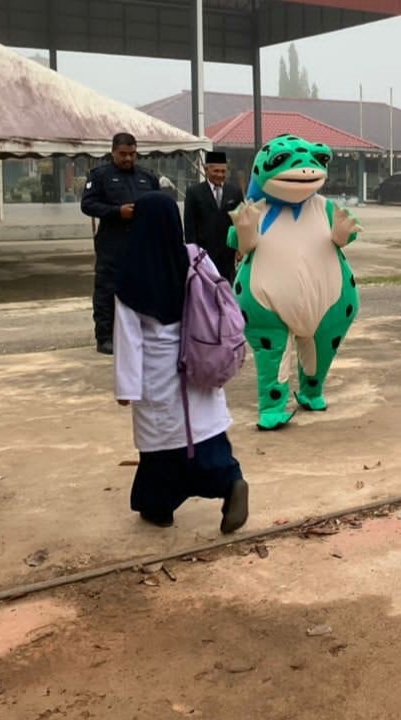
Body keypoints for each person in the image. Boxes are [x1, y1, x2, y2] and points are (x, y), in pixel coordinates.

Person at [113, 192, 249, 534]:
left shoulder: (131, 275)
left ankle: (158, 508)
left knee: (161, 452)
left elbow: (129, 340)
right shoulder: (196, 258)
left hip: (157, 377)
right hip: (200, 361)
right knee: (207, 437)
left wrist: (126, 388)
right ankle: (230, 482)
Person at [82, 133, 161, 355]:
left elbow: (160, 205)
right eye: (123, 154)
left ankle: (139, 334)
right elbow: (87, 205)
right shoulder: (100, 176)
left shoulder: (147, 177)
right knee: (107, 291)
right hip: (112, 245)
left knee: (142, 290)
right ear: (113, 153)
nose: (128, 159)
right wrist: (117, 212)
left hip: (141, 245)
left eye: (132, 154)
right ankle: (105, 337)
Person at [183, 151, 242, 283]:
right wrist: (193, 253)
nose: (220, 175)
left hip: (227, 254)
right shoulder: (194, 192)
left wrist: (240, 248)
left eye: (223, 171)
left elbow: (240, 222)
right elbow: (189, 225)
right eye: (216, 171)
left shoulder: (235, 192)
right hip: (204, 255)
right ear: (206, 169)